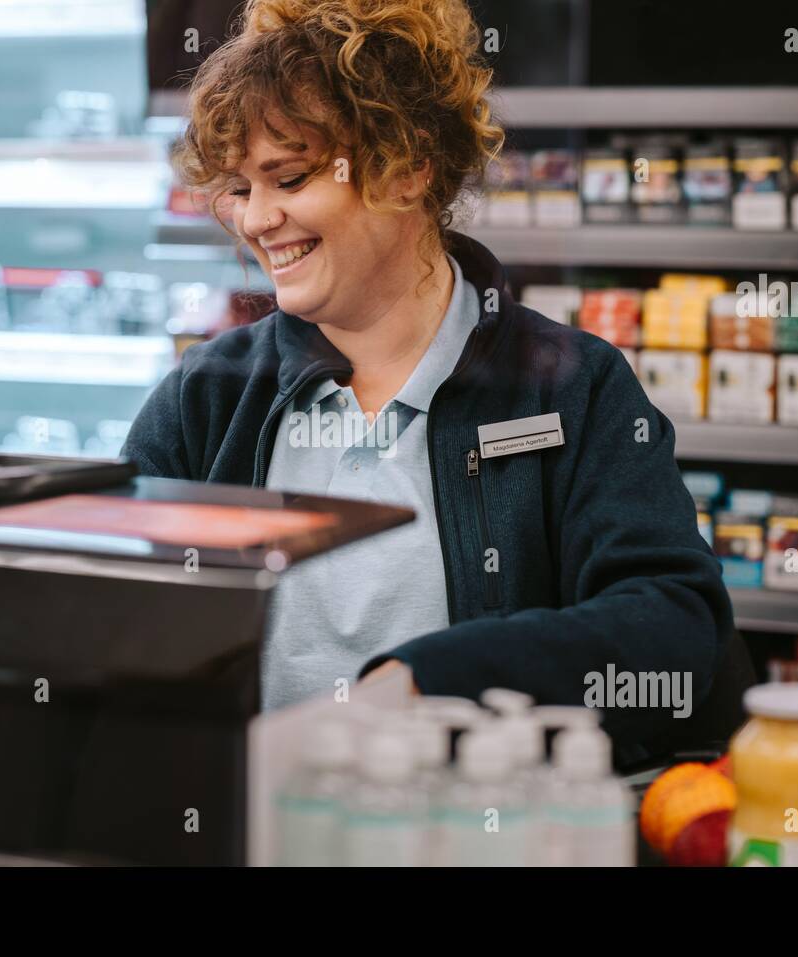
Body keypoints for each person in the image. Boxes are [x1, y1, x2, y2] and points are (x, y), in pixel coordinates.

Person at [125, 0, 733, 761]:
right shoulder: (207, 399)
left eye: (289, 177)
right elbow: (116, 618)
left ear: (409, 166)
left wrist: (436, 682)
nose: (256, 219)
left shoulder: (572, 390)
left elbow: (672, 627)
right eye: (242, 188)